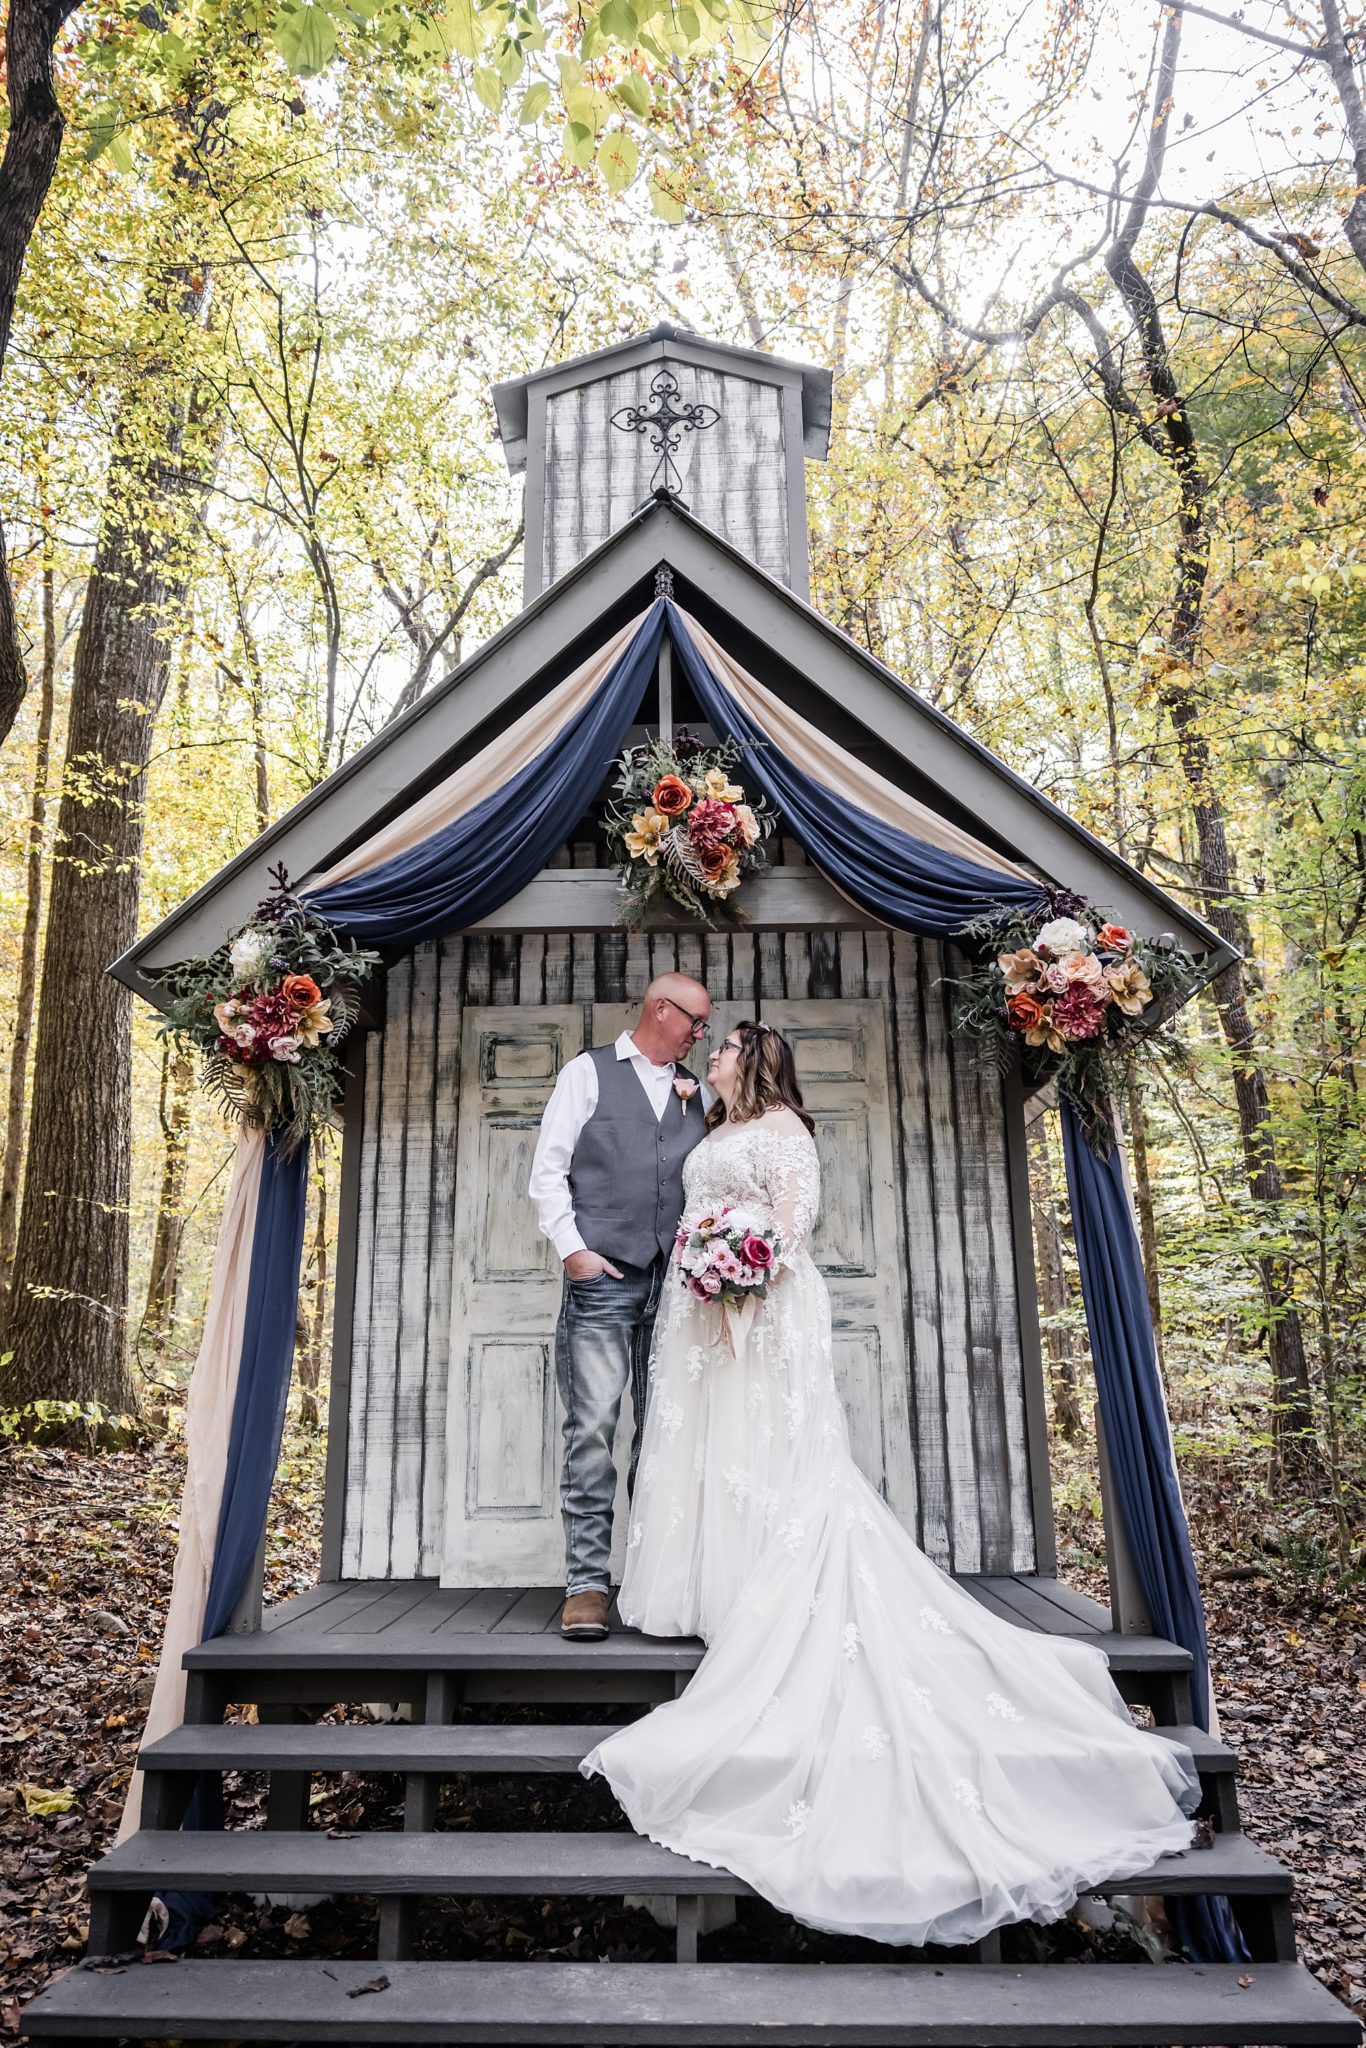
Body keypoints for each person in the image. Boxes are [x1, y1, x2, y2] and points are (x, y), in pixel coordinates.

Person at [582, 1020, 1202, 1948]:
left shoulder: (786, 1132)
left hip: (760, 1304)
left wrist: (734, 1270)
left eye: (720, 1050)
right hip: (699, 1310)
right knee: (706, 1449)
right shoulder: (709, 1125)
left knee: (766, 1451)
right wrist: (697, 1267)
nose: (706, 1056)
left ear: (753, 1062)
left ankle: (771, 1590)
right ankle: (702, 1591)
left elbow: (789, 1229)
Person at [529, 973, 713, 1642]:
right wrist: (574, 1251)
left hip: (678, 1289)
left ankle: (649, 1580)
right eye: (695, 1020)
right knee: (592, 1431)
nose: (701, 1034)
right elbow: (547, 1170)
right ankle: (585, 1585)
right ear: (659, 1010)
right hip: (603, 1278)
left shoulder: (702, 1090)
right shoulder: (587, 1074)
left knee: (663, 1435)